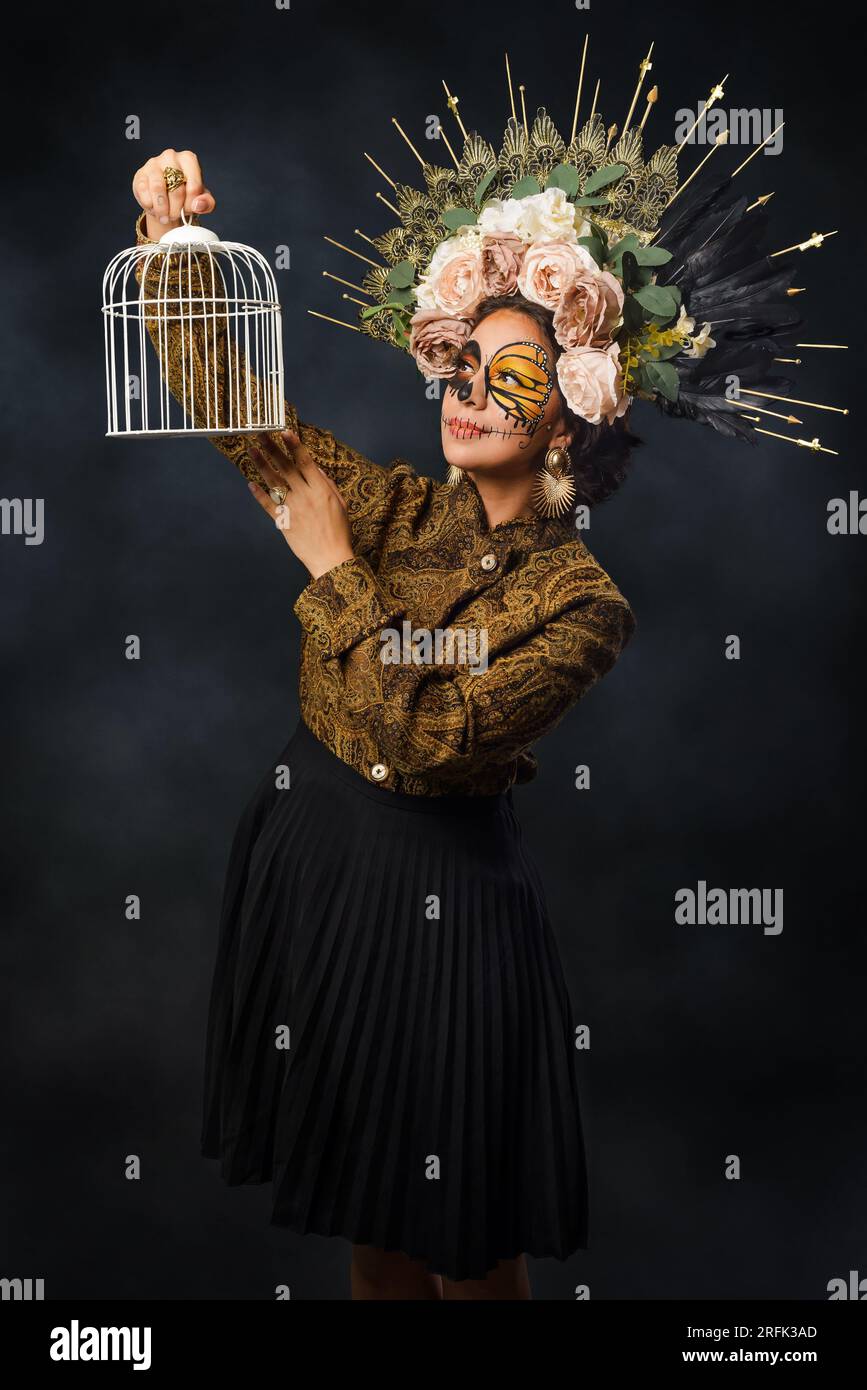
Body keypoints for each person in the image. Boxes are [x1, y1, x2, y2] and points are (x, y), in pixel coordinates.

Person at [131, 148, 637, 1300]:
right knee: (374, 1210)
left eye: (512, 376)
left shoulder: (583, 604)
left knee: (468, 1236)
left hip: (451, 910)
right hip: (320, 862)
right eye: (463, 364)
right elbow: (248, 418)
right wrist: (171, 252)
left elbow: (436, 734)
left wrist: (330, 570)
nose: (468, 391)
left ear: (571, 418)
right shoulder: (400, 504)